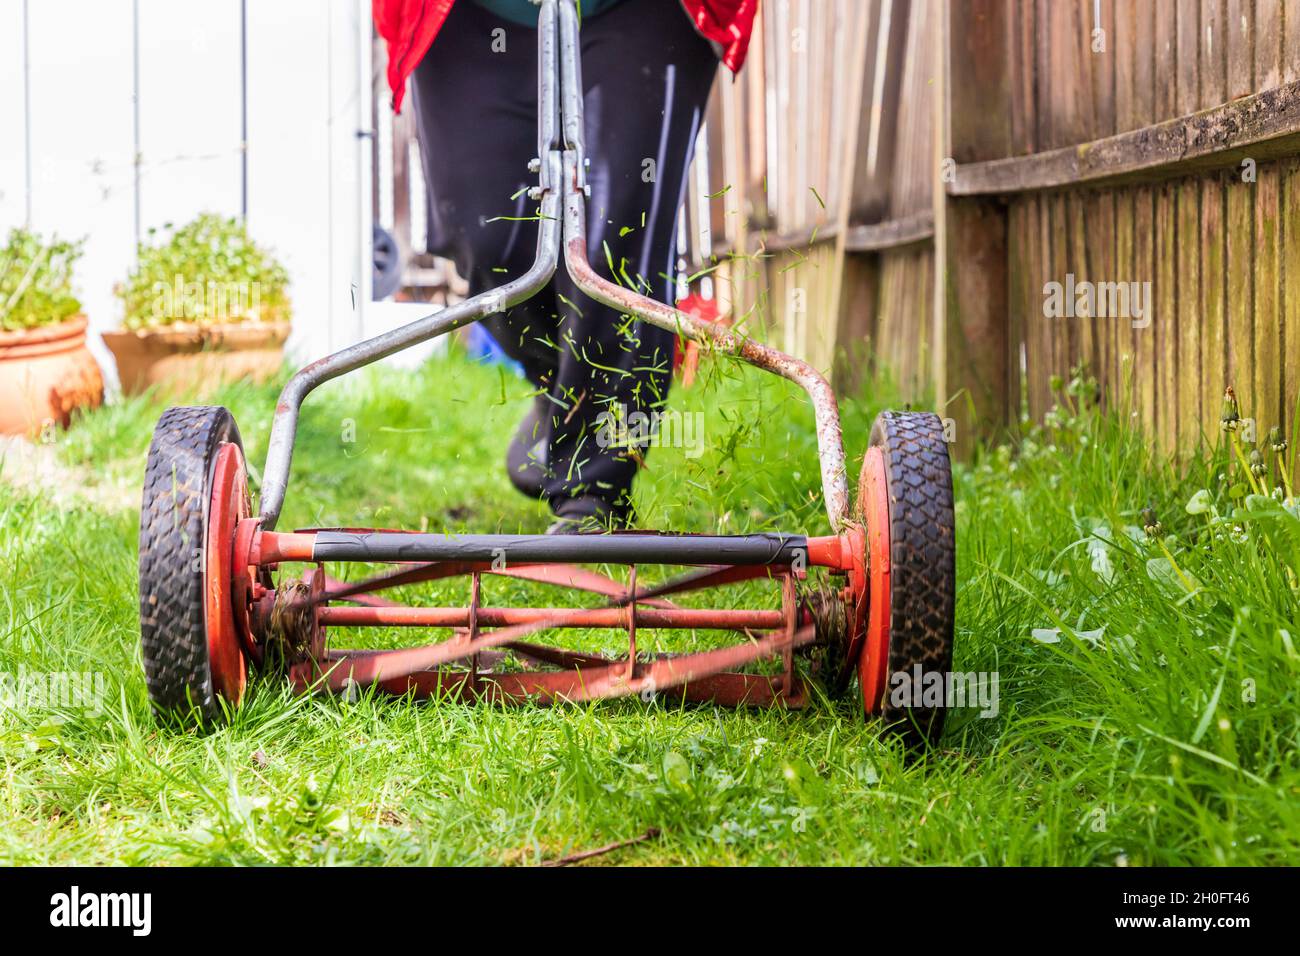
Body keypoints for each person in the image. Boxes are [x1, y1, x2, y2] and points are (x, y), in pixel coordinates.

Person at [373, 0, 757, 532]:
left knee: (620, 232)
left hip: (644, 13)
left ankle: (594, 487)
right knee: (486, 234)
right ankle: (562, 389)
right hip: (469, 14)